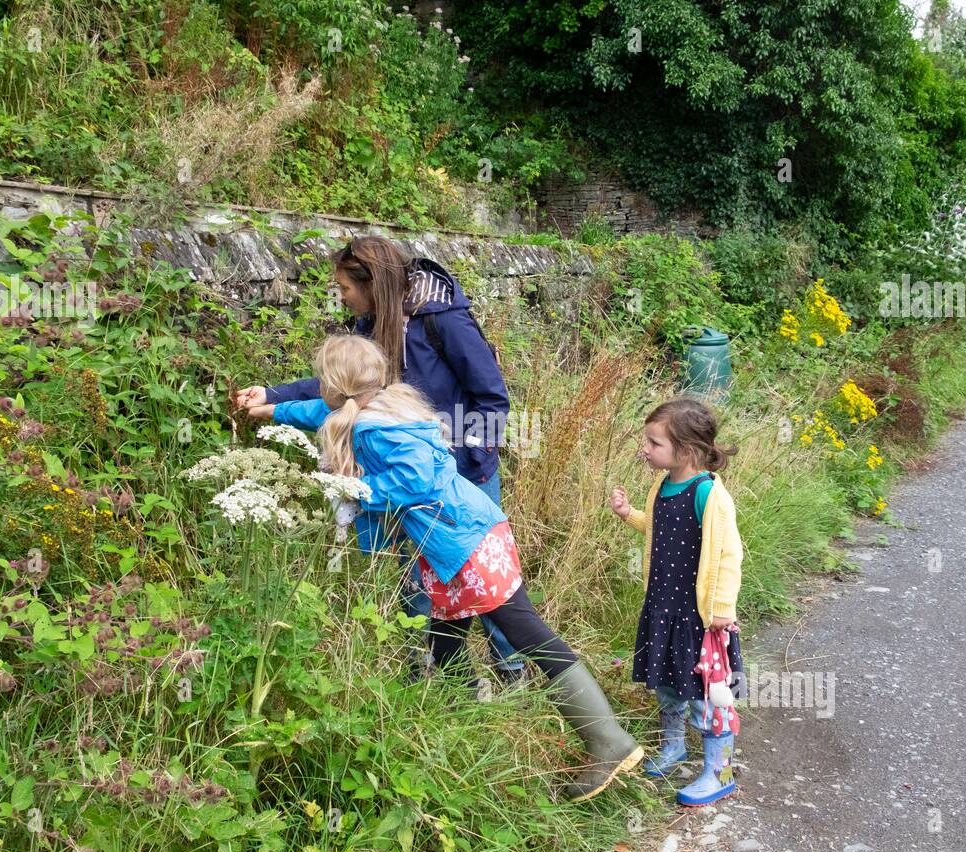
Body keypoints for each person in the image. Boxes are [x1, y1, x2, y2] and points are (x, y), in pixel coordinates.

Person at [266, 334, 645, 801]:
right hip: (459, 539)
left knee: (527, 633)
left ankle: (608, 741)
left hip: (463, 543)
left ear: (333, 384)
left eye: (321, 379)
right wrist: (274, 408)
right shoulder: (386, 405)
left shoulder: (371, 428)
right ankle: (464, 728)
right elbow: (322, 413)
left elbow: (415, 480)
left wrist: (355, 489)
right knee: (446, 635)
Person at [234, 236, 526, 683]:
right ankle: (429, 671)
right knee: (418, 577)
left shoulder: (441, 320)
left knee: (484, 577)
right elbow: (339, 387)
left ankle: (511, 669)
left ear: (373, 284)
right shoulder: (370, 325)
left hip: (464, 475)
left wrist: (466, 458)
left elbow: (492, 399)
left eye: (345, 288)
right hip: (405, 480)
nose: (341, 296)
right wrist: (272, 396)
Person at [609, 398, 745, 808]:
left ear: (686, 449)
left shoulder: (709, 494)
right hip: (664, 609)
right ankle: (674, 748)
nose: (644, 449)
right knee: (669, 684)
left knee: (708, 693)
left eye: (653, 443)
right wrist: (628, 512)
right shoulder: (663, 484)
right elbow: (660, 526)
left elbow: (728, 553)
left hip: (700, 618)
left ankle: (719, 770)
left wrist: (721, 607)